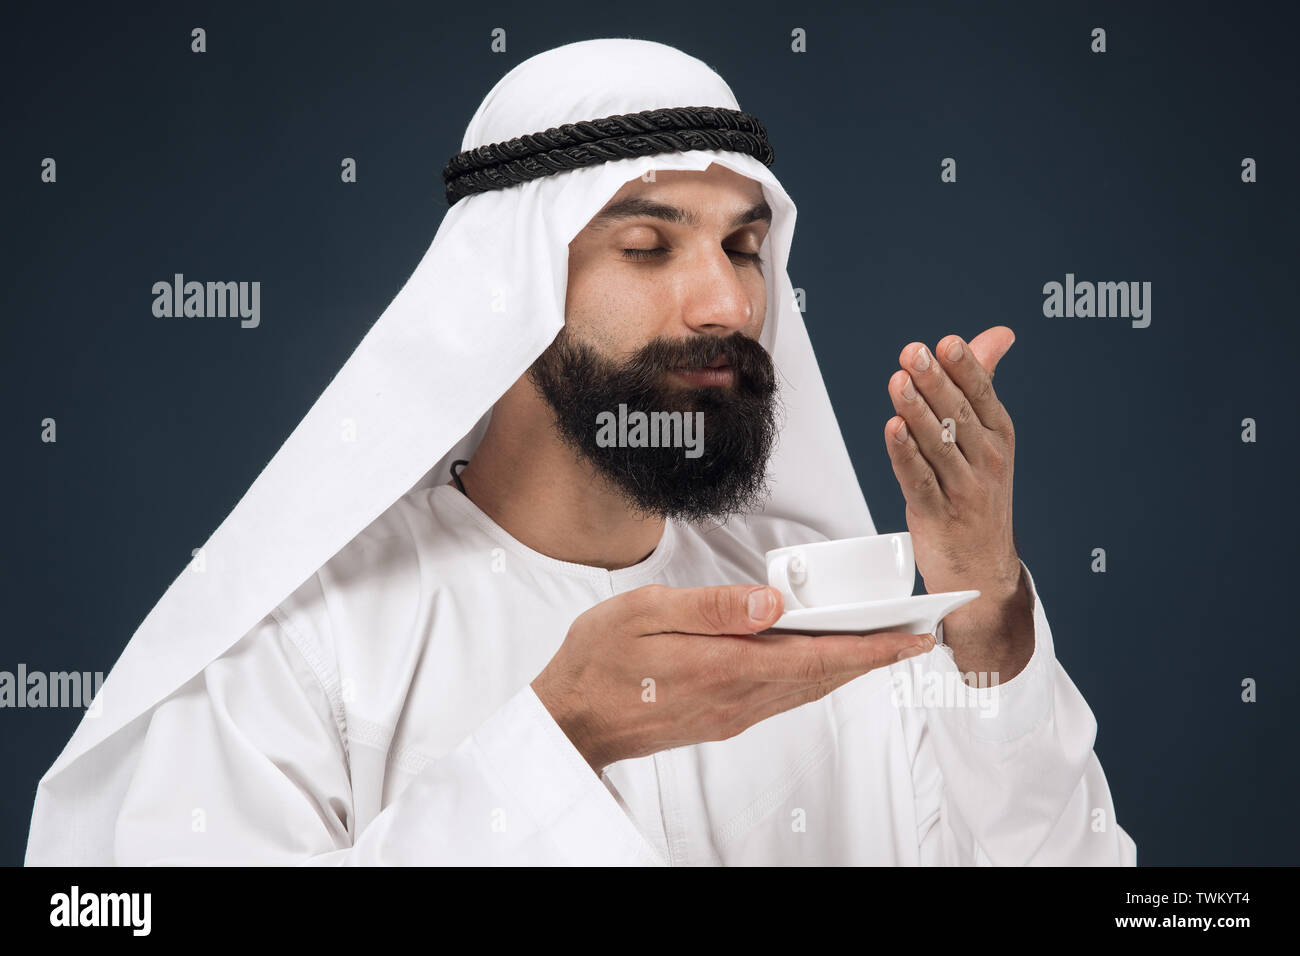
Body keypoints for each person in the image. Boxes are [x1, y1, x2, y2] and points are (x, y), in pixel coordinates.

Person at [25, 38, 1136, 866]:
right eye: (646, 245)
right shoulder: (304, 645)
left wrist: (985, 618)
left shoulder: (825, 624)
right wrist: (557, 736)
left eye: (743, 246)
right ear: (502, 290)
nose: (724, 301)